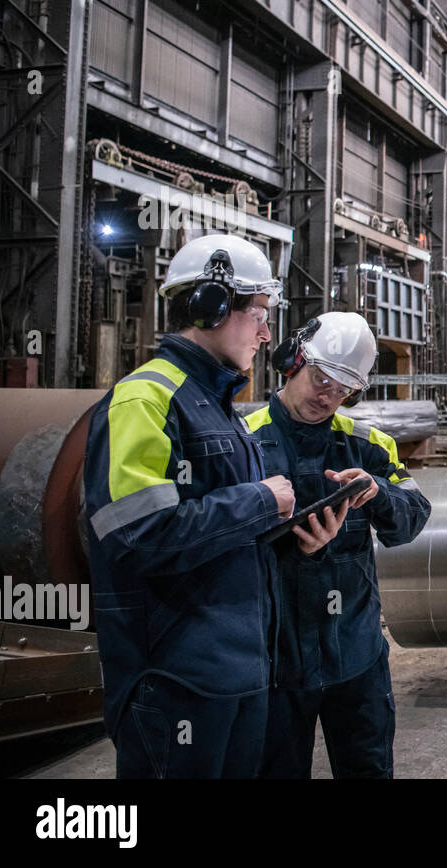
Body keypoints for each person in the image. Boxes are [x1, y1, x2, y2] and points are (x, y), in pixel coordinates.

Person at [83, 233, 348, 778]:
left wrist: (299, 538)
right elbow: (138, 534)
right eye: (260, 314)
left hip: (240, 673)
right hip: (176, 682)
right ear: (213, 306)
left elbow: (223, 535)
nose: (268, 332)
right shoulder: (146, 399)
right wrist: (259, 501)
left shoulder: (220, 409)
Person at [245, 311, 430, 778]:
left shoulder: (369, 446)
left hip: (356, 655)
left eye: (343, 389)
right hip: (274, 661)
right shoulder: (242, 444)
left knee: (367, 769)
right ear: (293, 361)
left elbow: (411, 519)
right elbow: (211, 544)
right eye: (321, 378)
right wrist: (291, 550)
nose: (328, 396)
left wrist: (377, 492)